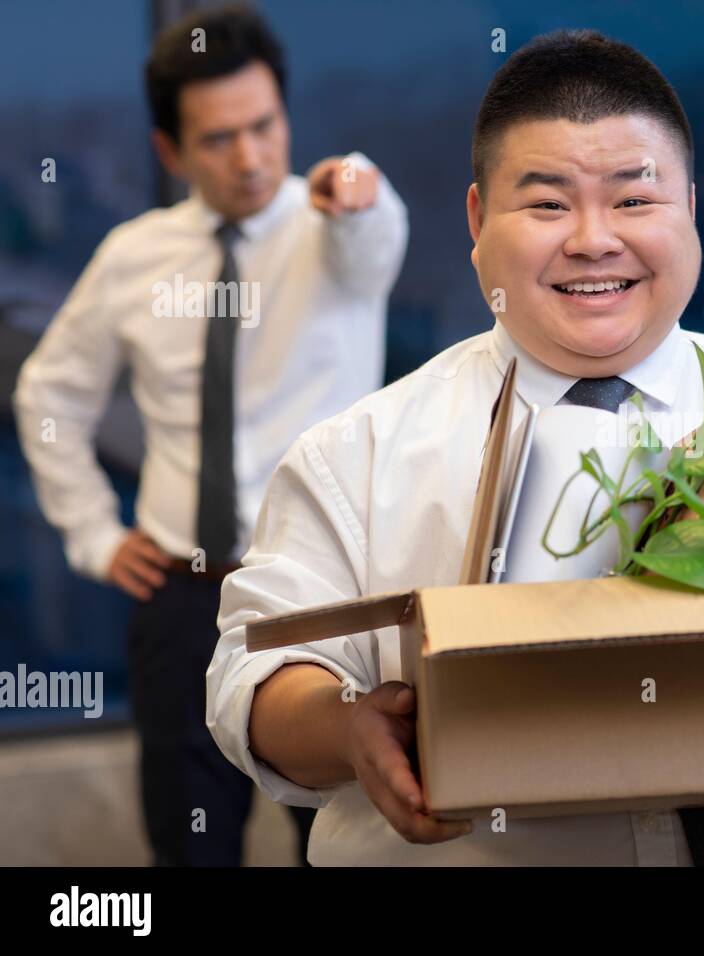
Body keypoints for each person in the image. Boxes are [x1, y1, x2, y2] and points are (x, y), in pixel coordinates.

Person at [206, 29, 704, 867]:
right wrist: (348, 727)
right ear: (477, 220)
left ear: (689, 208)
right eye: (547, 204)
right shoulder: (358, 451)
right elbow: (251, 680)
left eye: (633, 200)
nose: (592, 239)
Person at [12, 4, 408, 865]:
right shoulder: (133, 256)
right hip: (181, 599)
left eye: (264, 126)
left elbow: (375, 235)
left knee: (349, 841)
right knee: (190, 845)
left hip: (325, 592)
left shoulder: (333, 229)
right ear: (171, 151)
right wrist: (93, 535)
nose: (251, 156)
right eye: (220, 138)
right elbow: (49, 392)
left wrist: (359, 189)